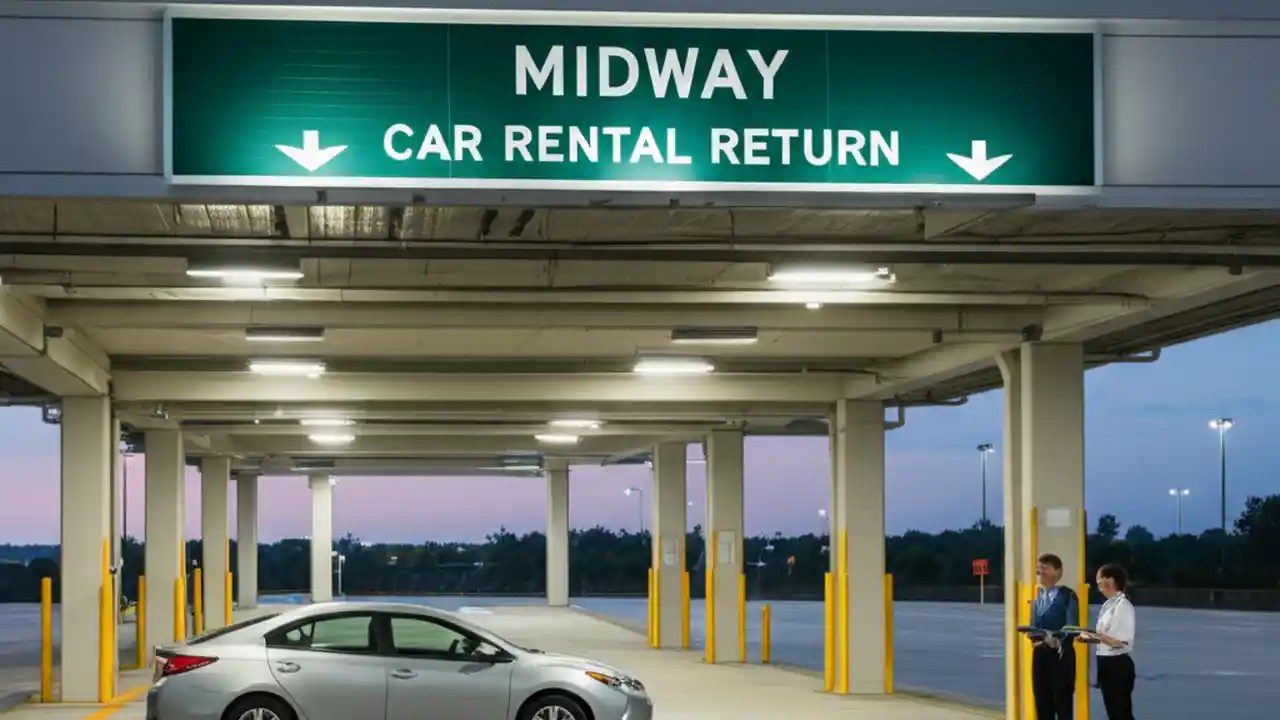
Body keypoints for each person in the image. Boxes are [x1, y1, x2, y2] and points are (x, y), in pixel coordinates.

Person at [1081, 563, 1136, 720]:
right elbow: (1105, 636)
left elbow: (1121, 642)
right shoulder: (1108, 604)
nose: (1098, 585)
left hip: (1117, 664)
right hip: (1106, 662)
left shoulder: (1123, 606)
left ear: (1111, 580)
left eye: (1100, 581)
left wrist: (1094, 637)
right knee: (1116, 713)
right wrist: (1090, 639)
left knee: (1119, 714)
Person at [1030, 553, 1078, 720]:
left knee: (1062, 703)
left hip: (1061, 656)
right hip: (1041, 655)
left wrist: (1058, 639)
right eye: (1038, 569)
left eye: (1045, 568)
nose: (1040, 572)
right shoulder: (1037, 600)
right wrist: (1035, 637)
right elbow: (1033, 627)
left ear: (1057, 572)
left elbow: (1072, 626)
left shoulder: (1067, 596)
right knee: (1042, 703)